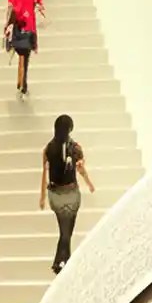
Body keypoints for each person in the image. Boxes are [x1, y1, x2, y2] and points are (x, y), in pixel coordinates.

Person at [39, 115, 94, 274]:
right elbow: (81, 170)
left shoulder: (48, 148)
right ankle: (61, 261)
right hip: (71, 192)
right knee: (66, 230)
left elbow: (44, 172)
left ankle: (63, 261)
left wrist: (42, 196)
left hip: (55, 193)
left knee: (65, 229)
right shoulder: (76, 147)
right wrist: (89, 184)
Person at [4, 0, 46, 98]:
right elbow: (40, 3)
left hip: (17, 31)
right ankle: (24, 81)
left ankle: (19, 75)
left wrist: (7, 26)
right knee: (26, 57)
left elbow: (12, 12)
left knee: (18, 51)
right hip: (29, 31)